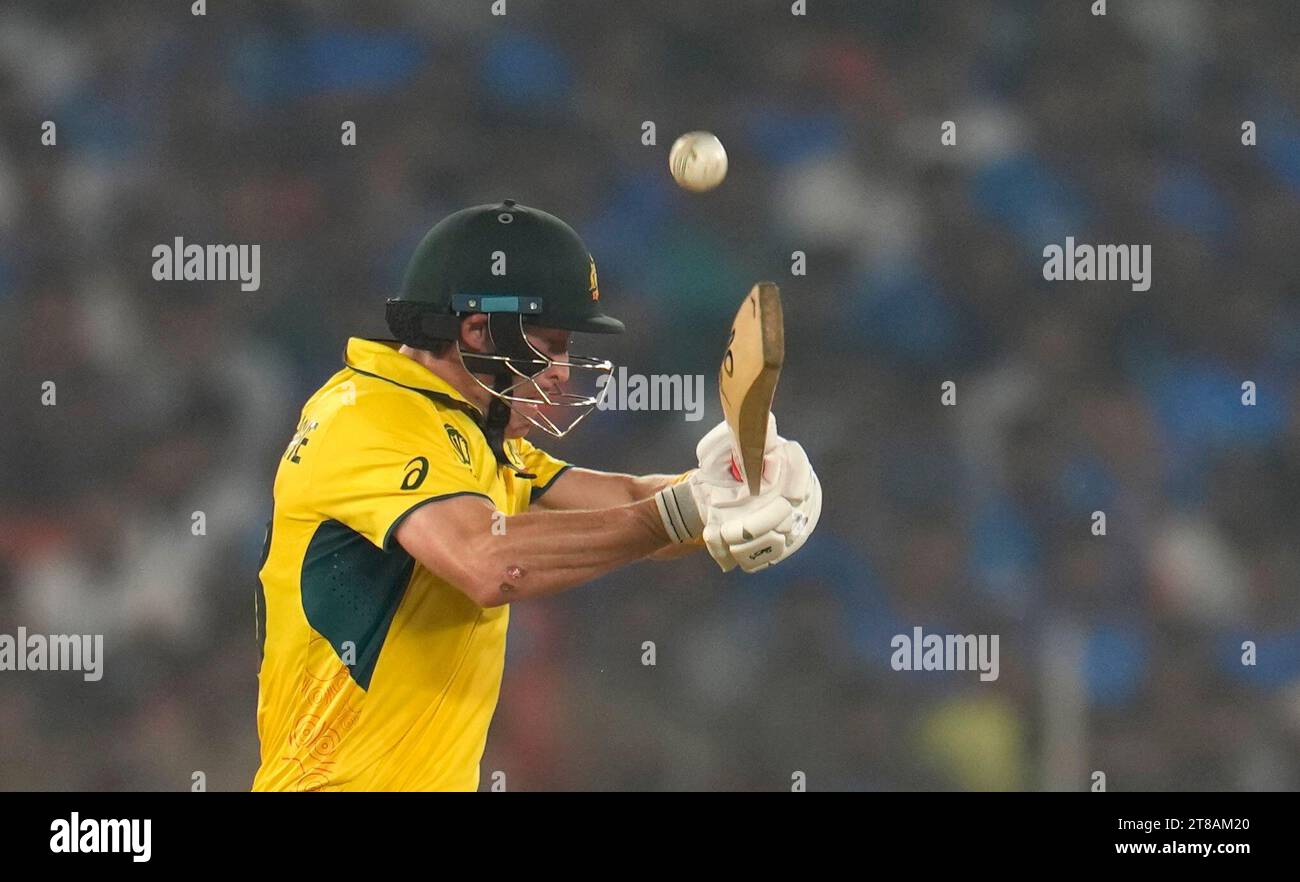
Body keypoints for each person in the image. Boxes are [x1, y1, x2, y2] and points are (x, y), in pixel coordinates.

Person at [252, 200, 821, 791]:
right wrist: (685, 511)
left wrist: (734, 486)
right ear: (476, 329)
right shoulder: (372, 418)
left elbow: (625, 501)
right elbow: (488, 561)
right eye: (550, 346)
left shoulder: (473, 431)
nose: (562, 373)